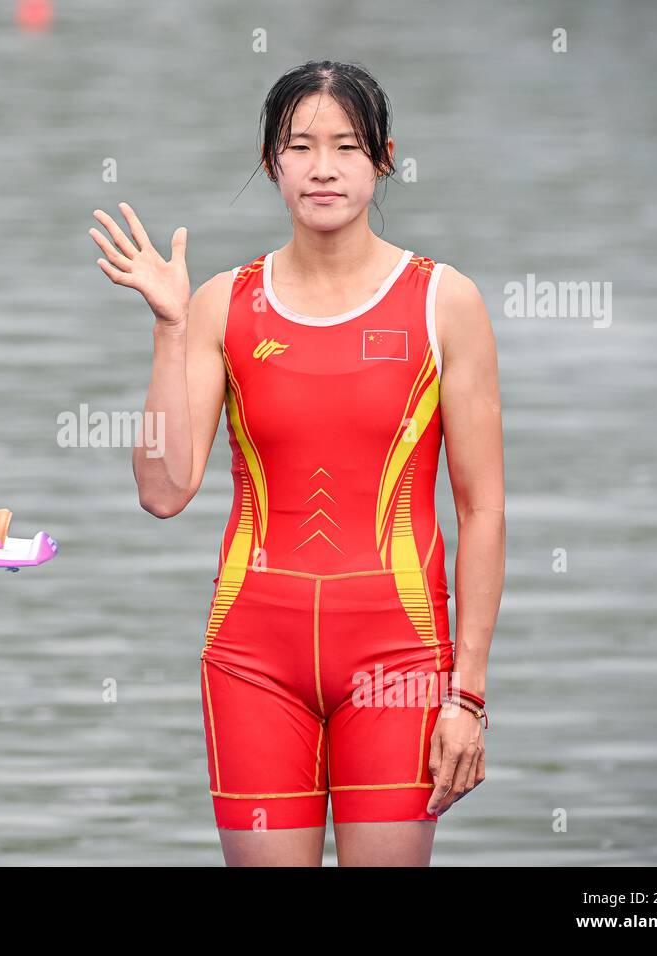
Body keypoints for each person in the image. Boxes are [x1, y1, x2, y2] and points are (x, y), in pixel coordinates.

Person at [89, 61, 504, 866]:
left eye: (346, 147)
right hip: (251, 660)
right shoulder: (221, 303)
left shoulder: (443, 302)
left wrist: (468, 694)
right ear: (270, 160)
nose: (322, 168)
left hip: (400, 662)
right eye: (300, 147)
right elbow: (163, 490)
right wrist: (170, 329)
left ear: (383, 158)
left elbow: (482, 510)